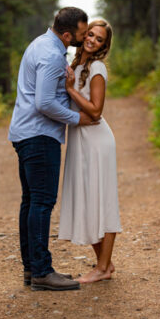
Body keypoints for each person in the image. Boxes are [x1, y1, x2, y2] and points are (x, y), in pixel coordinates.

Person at [8, 7, 99, 291]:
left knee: (31, 202)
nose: (84, 39)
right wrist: (77, 119)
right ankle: (42, 273)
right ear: (67, 33)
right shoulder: (50, 54)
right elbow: (44, 103)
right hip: (39, 135)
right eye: (82, 34)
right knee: (42, 203)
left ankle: (32, 269)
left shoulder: (41, 44)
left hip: (26, 133)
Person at [58, 19, 121, 284]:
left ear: (103, 46)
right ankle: (104, 264)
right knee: (86, 199)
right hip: (80, 138)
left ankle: (103, 267)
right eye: (90, 35)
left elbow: (96, 110)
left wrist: (71, 89)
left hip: (96, 140)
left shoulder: (96, 68)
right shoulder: (76, 65)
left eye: (99, 39)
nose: (92, 40)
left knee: (102, 200)